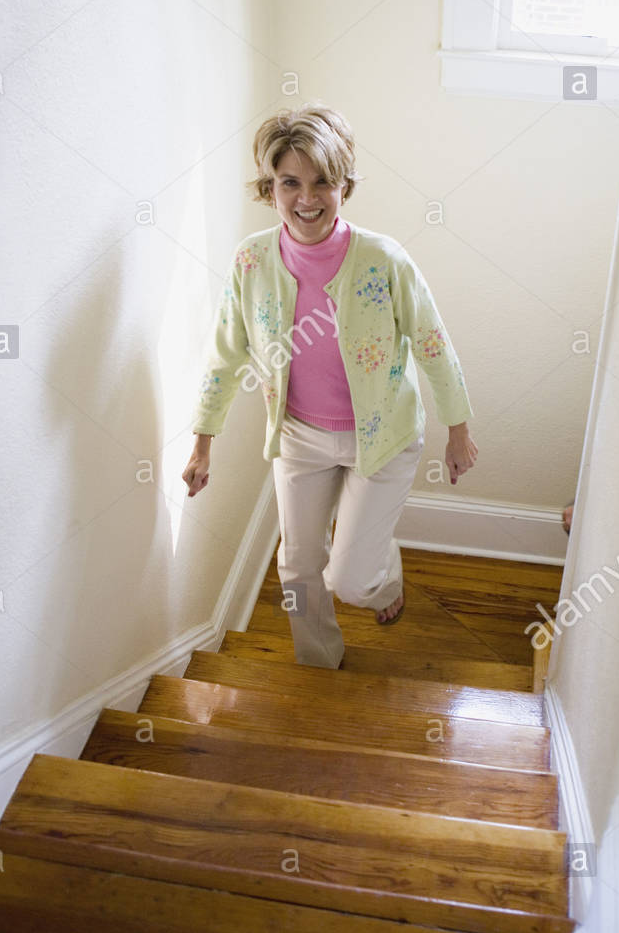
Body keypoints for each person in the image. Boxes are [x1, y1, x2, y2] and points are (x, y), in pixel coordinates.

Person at [182, 104, 478, 669]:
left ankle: (382, 577)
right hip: (298, 436)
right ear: (270, 188)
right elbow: (225, 355)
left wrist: (458, 431)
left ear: (345, 184)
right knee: (296, 568)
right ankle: (318, 662)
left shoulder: (383, 260)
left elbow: (433, 344)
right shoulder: (250, 262)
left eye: (323, 181)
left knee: (350, 579)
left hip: (383, 436)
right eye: (290, 182)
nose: (307, 198)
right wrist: (203, 442)